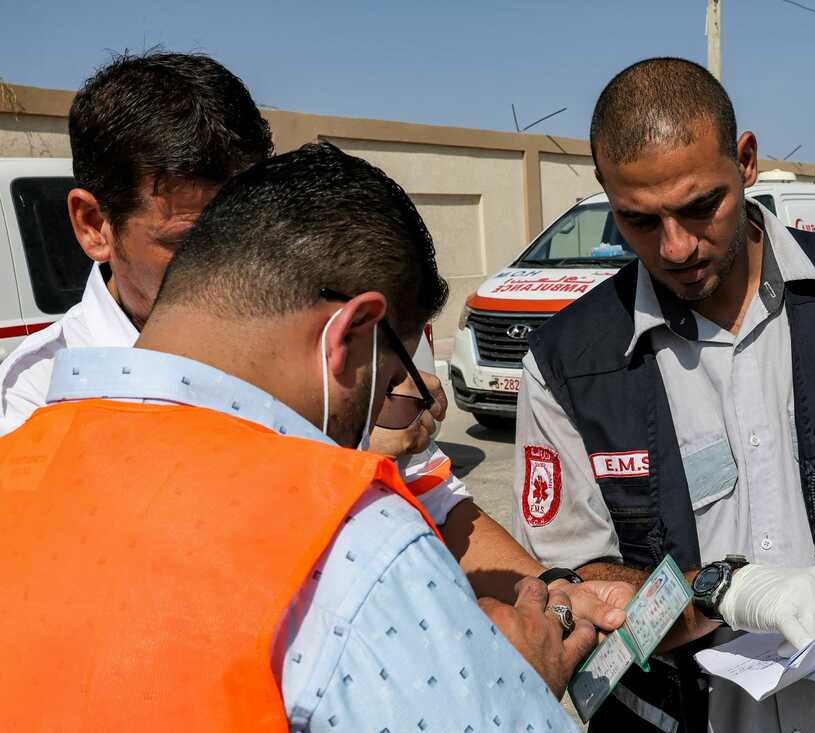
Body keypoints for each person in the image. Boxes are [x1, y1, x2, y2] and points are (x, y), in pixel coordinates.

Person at [0, 51, 631, 629]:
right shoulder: (36, 400)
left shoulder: (312, 331)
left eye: (249, 237)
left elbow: (438, 498)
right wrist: (343, 467)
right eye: (188, 244)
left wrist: (549, 592)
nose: (230, 272)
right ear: (94, 225)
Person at [0, 142, 594, 730]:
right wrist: (518, 684)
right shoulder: (352, 539)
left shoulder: (18, 457)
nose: (386, 407)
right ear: (350, 332)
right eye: (391, 378)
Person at [512, 57, 815, 733]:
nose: (676, 247)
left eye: (700, 207)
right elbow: (576, 598)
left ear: (745, 162)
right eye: (640, 221)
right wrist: (717, 593)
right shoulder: (568, 366)